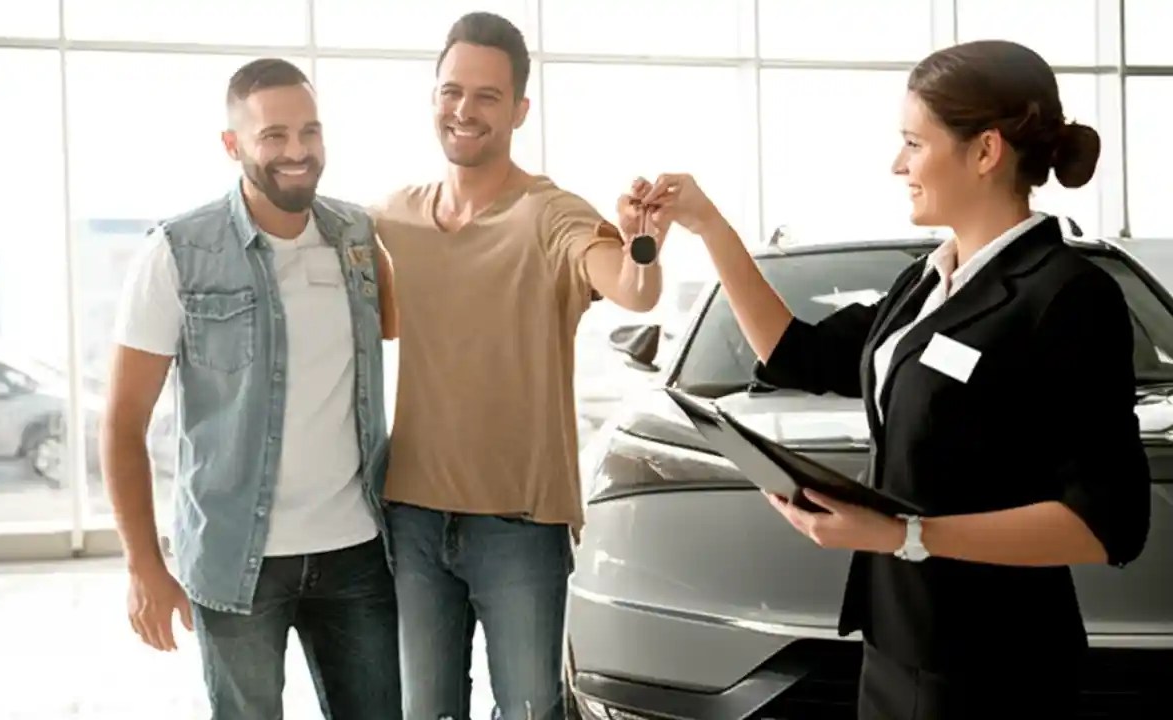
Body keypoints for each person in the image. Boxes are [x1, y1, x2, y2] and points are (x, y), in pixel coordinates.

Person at [629, 40, 1151, 719]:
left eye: (913, 142)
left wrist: (905, 536)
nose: (897, 164)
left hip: (996, 665)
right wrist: (708, 225)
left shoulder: (1067, 295)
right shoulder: (926, 284)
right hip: (897, 641)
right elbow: (798, 354)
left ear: (986, 150)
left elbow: (1108, 522)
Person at [368, 11, 665, 719]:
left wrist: (642, 242)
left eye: (486, 96)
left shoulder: (549, 214)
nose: (464, 110)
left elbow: (633, 287)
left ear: (520, 110)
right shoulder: (393, 217)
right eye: (451, 91)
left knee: (533, 711)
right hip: (411, 516)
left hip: (519, 526)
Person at [100, 57, 401, 720]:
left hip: (357, 553)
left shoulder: (357, 237)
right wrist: (143, 566)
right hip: (238, 561)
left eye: (310, 132)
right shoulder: (179, 251)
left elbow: (431, 329)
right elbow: (123, 423)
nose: (296, 152)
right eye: (273, 137)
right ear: (233, 145)